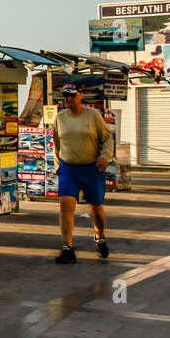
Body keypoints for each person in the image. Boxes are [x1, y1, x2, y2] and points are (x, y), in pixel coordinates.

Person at [51, 83, 115, 263]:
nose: (68, 99)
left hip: (91, 169)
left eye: (72, 95)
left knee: (95, 208)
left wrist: (105, 156)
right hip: (69, 169)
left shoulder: (93, 115)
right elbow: (56, 142)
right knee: (65, 205)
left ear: (81, 95)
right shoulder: (60, 118)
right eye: (65, 96)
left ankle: (100, 236)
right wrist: (58, 165)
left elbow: (107, 138)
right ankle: (67, 248)